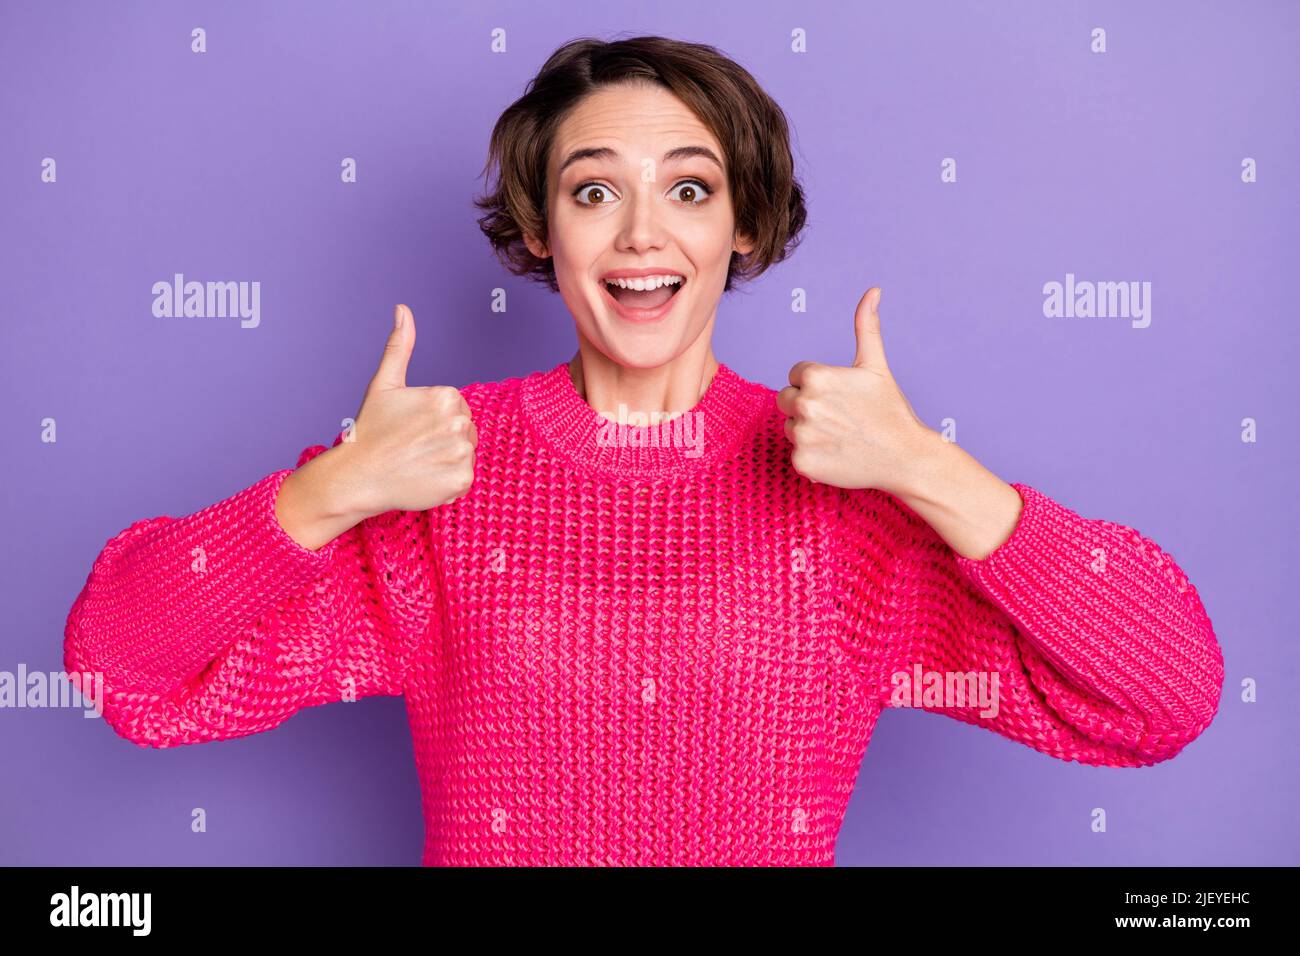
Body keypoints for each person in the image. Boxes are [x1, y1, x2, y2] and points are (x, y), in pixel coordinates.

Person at [64, 35, 1224, 866]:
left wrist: (929, 468)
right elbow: (121, 668)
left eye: (687, 187)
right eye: (590, 191)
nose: (641, 234)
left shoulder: (846, 491)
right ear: (537, 231)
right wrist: (325, 493)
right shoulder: (428, 469)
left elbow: (1164, 694)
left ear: (746, 226)